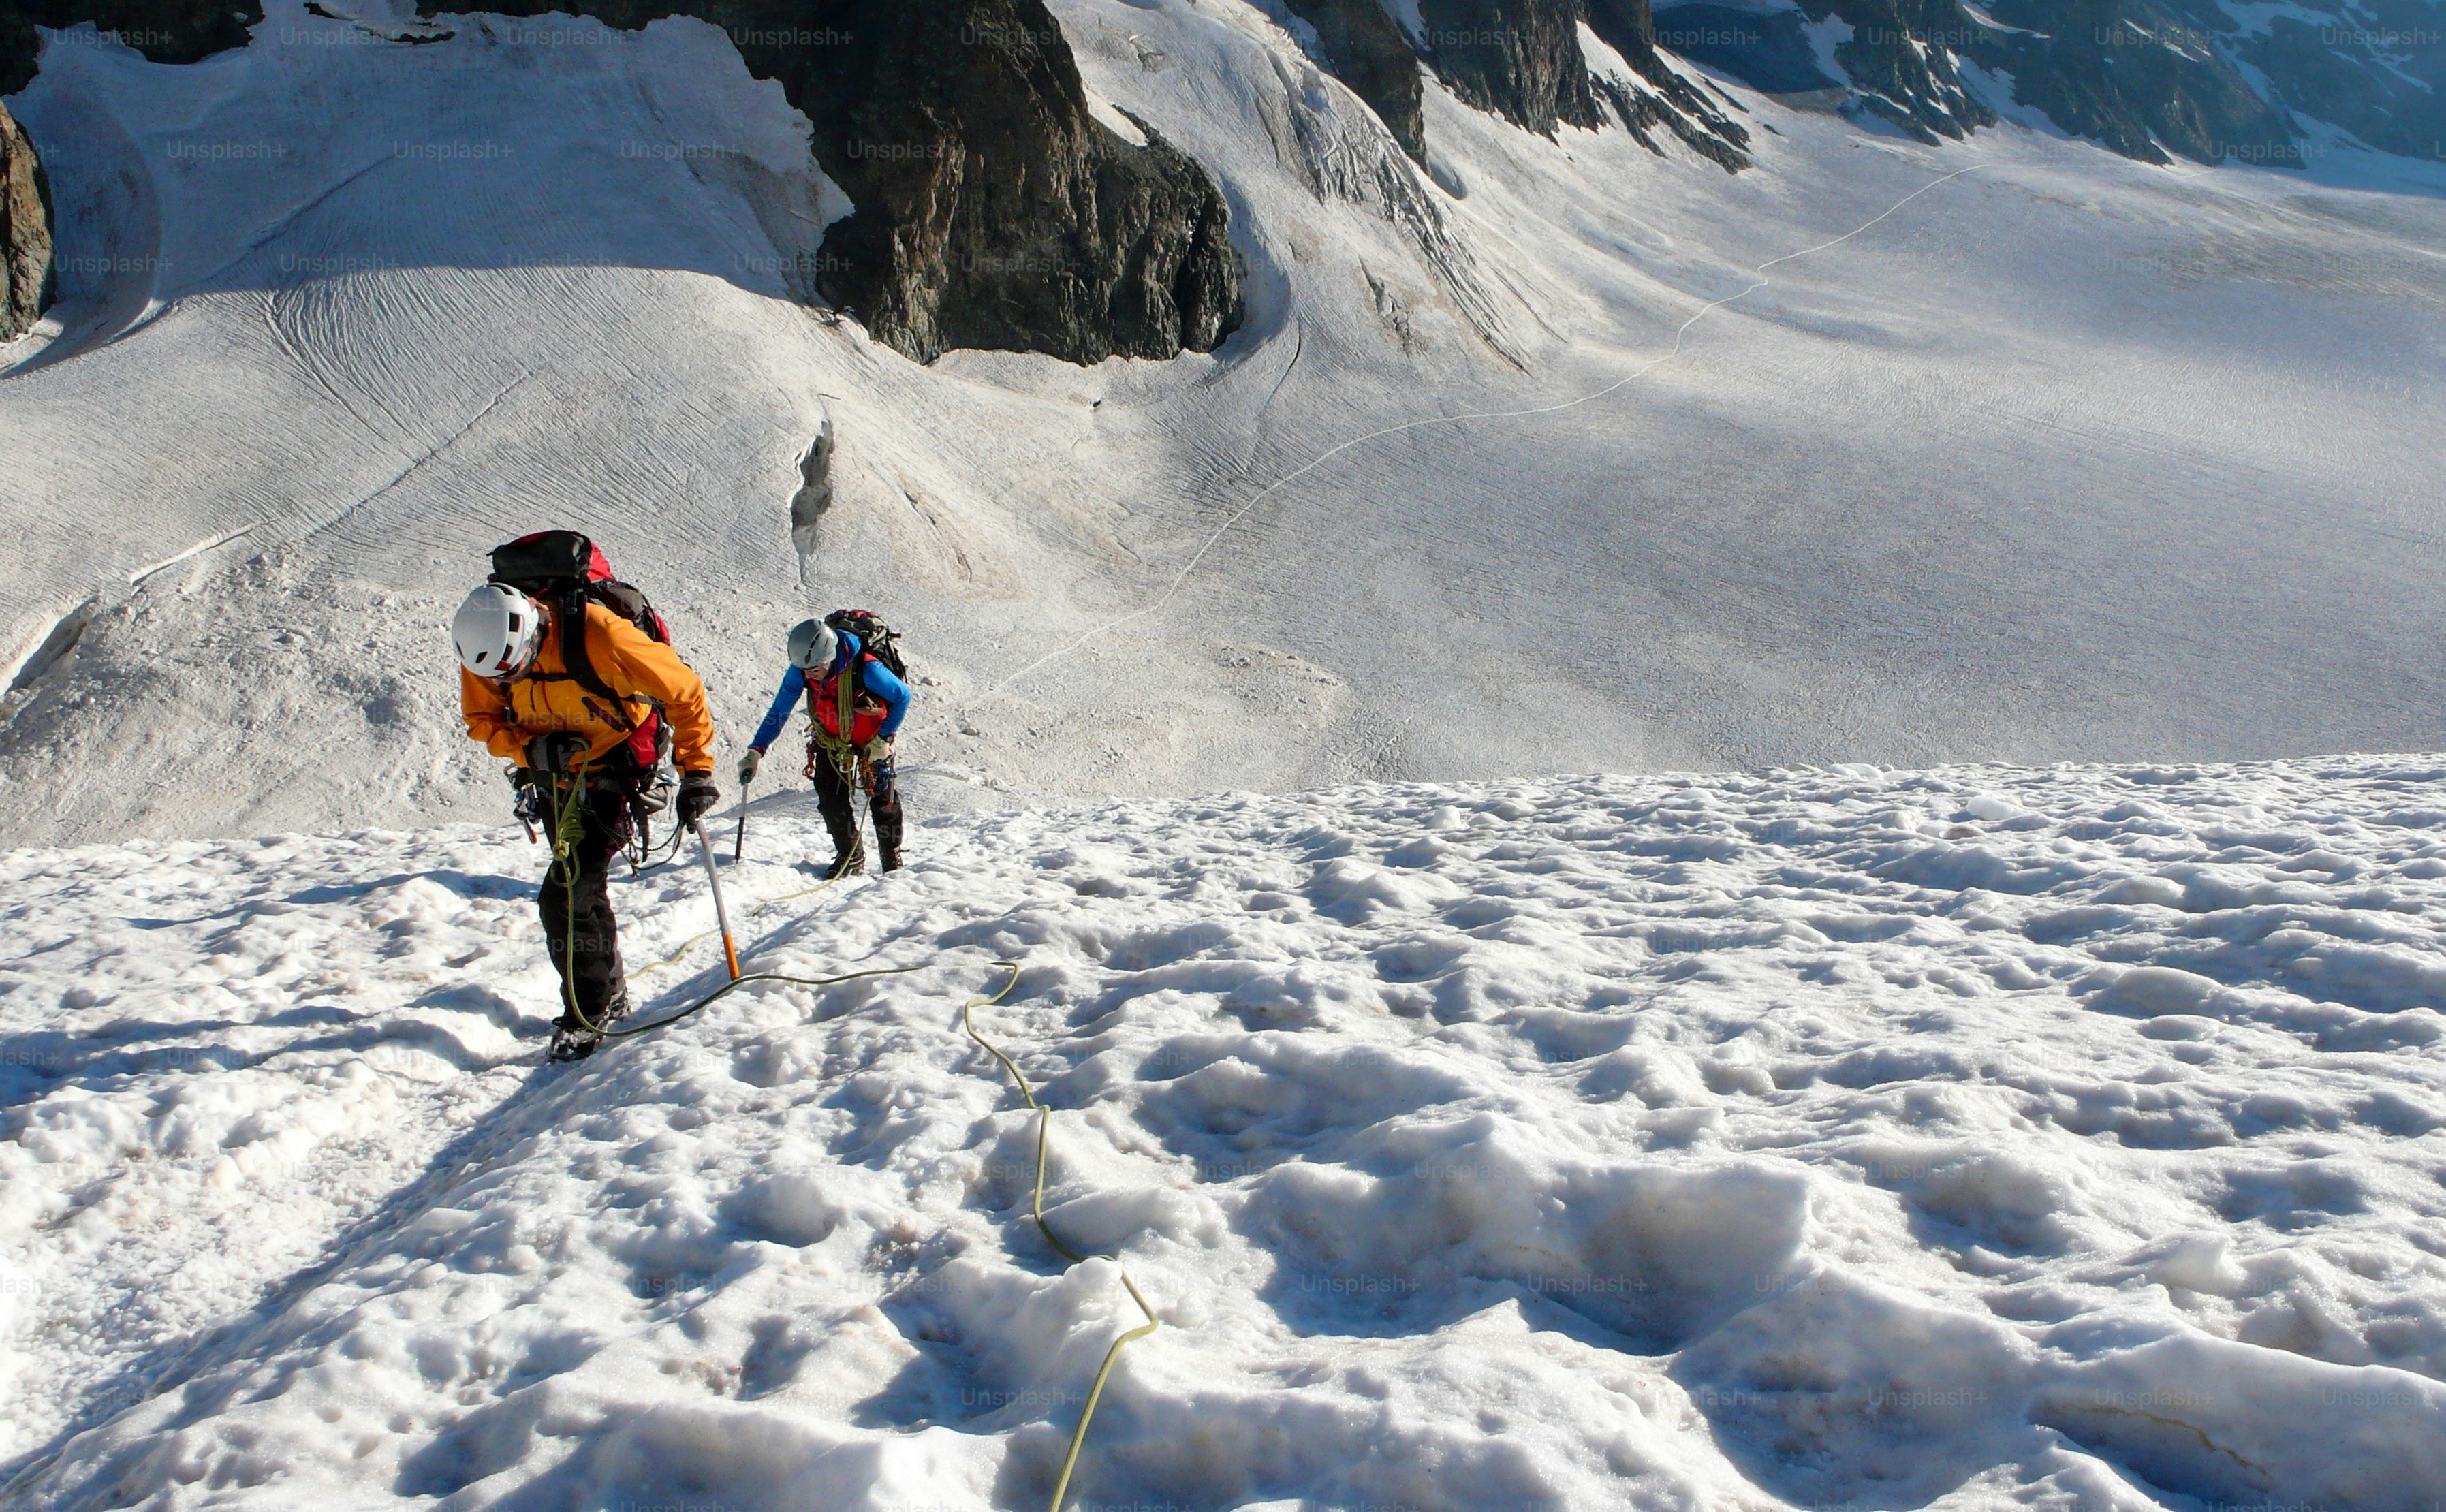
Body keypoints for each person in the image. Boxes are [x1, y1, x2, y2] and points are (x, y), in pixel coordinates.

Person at [452, 578, 720, 1060]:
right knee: (584, 887)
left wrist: (696, 770)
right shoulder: (487, 650)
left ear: (532, 632)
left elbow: (684, 690)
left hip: (616, 769)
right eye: (504, 678)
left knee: (564, 893)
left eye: (517, 670)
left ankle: (588, 1012)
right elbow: (484, 721)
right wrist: (528, 748)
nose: (509, 682)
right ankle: (609, 991)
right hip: (553, 777)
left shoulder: (602, 636)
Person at [739, 616, 909, 879]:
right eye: (805, 670)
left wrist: (884, 739)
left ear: (829, 657)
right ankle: (850, 855)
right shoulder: (801, 670)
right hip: (831, 741)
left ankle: (891, 857)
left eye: (815, 669)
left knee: (882, 801)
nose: (809, 675)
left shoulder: (866, 669)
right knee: (830, 799)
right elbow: (779, 711)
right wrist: (756, 751)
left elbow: (902, 696)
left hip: (872, 742)